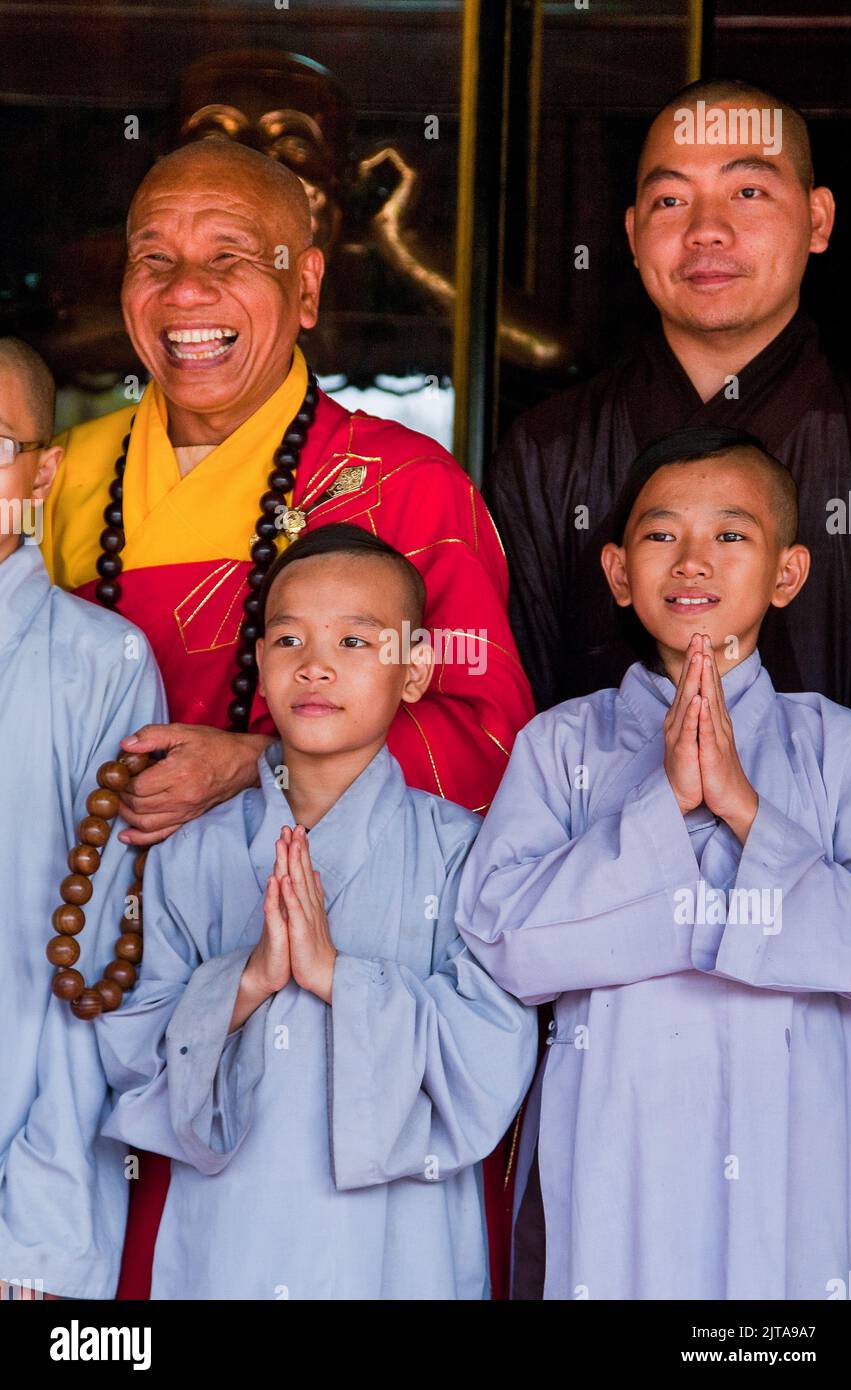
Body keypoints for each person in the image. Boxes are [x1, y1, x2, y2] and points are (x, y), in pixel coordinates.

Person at [39, 139, 534, 1296]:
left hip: (300, 991)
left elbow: (485, 740)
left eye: (229, 258)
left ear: (307, 285)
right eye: (153, 258)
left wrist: (254, 758)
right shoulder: (60, 480)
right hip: (66, 965)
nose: (186, 293)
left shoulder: (406, 488)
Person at [457, 426, 851, 1300]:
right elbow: (501, 940)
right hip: (613, 1130)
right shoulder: (559, 743)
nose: (692, 563)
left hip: (788, 1138)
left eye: (730, 535)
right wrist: (663, 805)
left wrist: (747, 810)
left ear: (788, 573)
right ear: (615, 571)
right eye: (659, 535)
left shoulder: (840, 747)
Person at [96, 524, 536, 1299]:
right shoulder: (190, 855)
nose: (317, 665)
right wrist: (245, 982)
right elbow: (130, 1055)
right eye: (290, 638)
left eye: (356, 642)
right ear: (260, 666)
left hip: (402, 1247)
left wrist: (337, 976)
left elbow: (494, 1061)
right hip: (229, 1236)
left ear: (414, 672)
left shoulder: (466, 852)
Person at [486, 78, 851, 716]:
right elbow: (513, 711)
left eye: (749, 191)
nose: (706, 231)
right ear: (634, 236)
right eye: (670, 200)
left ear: (818, 220)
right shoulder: (550, 448)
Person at [0, 339, 166, 1300]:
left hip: (21, 1184)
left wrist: (45, 1227)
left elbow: (96, 954)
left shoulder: (99, 664)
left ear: (44, 469)